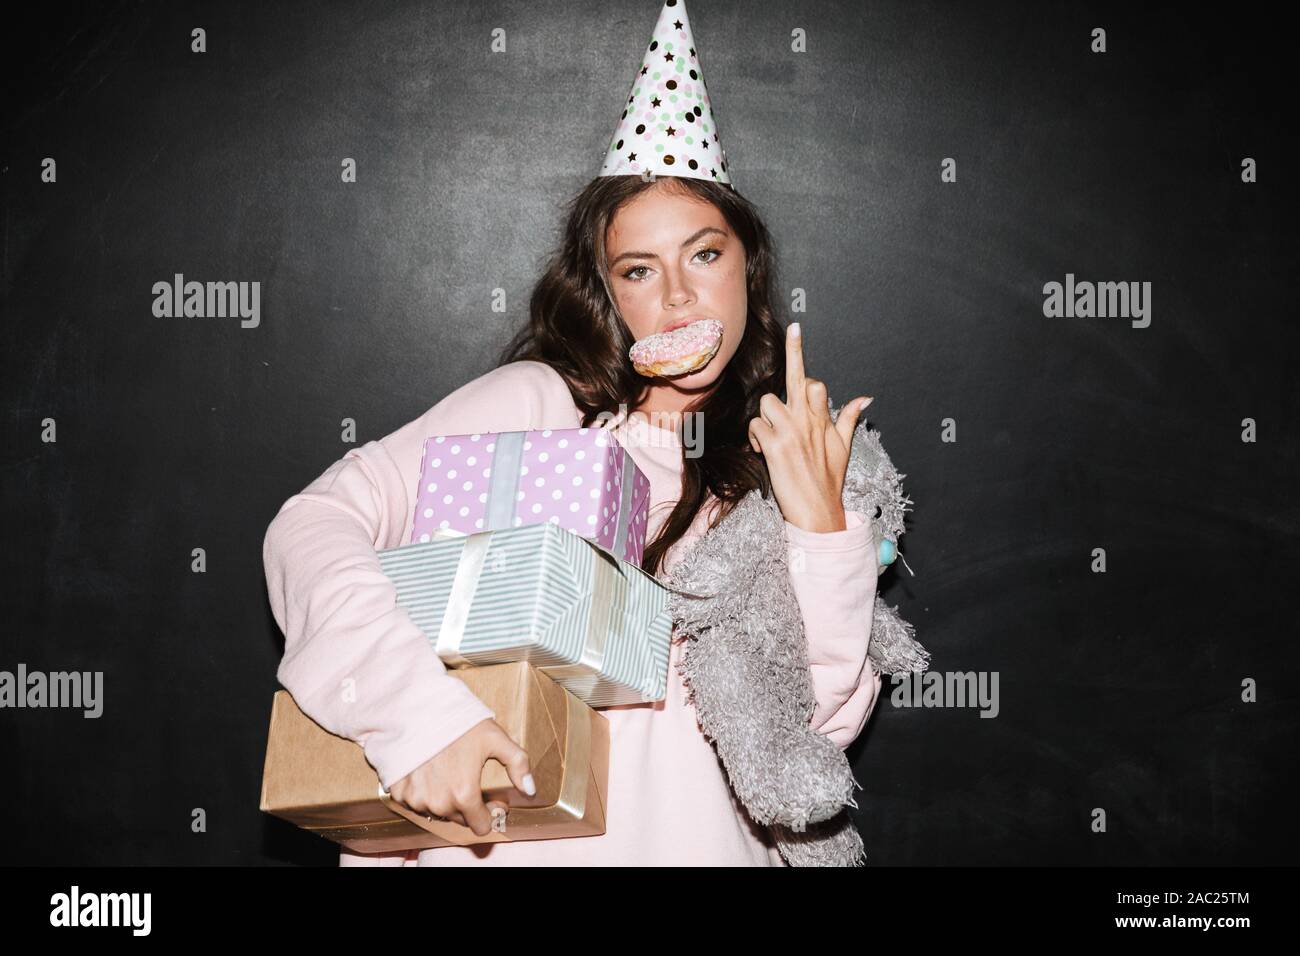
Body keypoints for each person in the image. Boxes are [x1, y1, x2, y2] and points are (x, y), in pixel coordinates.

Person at [261, 0, 884, 867]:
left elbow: (809, 745)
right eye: (640, 270)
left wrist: (821, 531)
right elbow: (312, 524)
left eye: (705, 255)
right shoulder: (545, 408)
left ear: (748, 267)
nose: (677, 297)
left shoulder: (797, 470)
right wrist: (417, 719)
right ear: (610, 295)